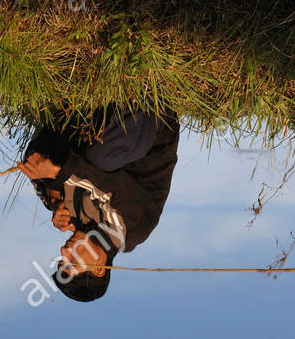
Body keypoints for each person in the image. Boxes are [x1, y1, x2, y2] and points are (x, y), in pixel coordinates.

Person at [18, 106, 180, 302]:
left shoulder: (77, 221)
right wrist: (59, 174)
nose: (64, 251)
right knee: (103, 159)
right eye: (72, 262)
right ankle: (143, 95)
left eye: (62, 261)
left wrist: (55, 198)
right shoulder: (131, 232)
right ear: (99, 268)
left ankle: (82, 102)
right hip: (154, 125)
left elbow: (47, 176)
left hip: (108, 132)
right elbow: (109, 185)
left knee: (35, 158)